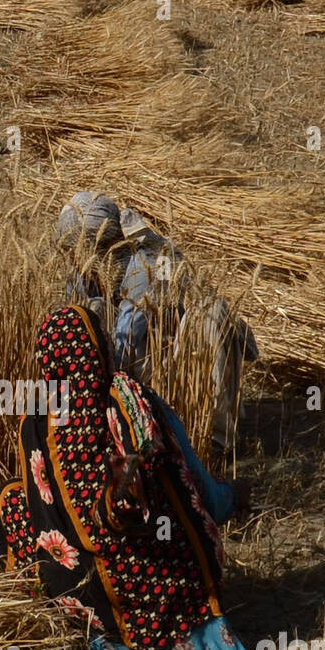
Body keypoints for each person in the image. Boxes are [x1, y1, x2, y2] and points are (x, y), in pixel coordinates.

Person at [0, 303, 260, 650]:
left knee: (13, 499)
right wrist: (233, 497)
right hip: (159, 592)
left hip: (81, 598)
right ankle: (177, 641)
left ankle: (33, 610)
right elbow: (195, 490)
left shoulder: (34, 418)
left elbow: (48, 505)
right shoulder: (128, 401)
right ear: (98, 349)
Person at [57, 192, 258, 455]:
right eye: (69, 251)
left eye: (78, 251)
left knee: (209, 315)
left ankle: (213, 439)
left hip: (179, 362)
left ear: (109, 244)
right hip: (140, 367)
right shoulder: (89, 267)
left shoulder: (149, 264)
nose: (72, 260)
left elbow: (125, 341)